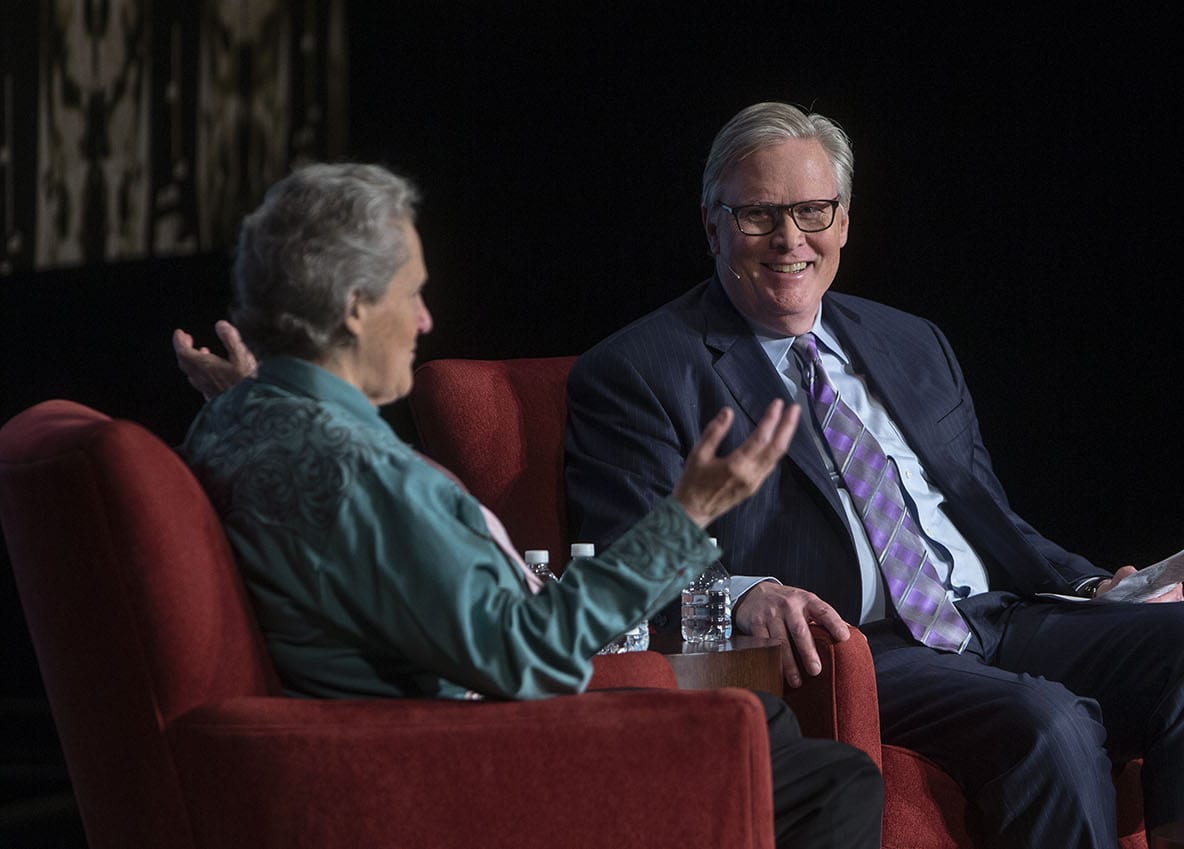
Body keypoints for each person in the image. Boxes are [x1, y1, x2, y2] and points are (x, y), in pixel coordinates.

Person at [562, 102, 1184, 848]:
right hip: (860, 648)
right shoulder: (639, 371)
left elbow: (986, 515)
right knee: (1051, 725)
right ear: (712, 226)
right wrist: (746, 595)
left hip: (992, 614)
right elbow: (622, 563)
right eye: (758, 215)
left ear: (843, 221)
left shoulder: (910, 340)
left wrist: (1096, 584)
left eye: (812, 211)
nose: (789, 238)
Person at [176, 162, 883, 849]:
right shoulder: (355, 474)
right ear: (356, 306)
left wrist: (260, 386)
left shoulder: (237, 418)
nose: (425, 320)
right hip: (468, 762)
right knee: (834, 781)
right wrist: (685, 515)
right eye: (412, 293)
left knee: (764, 724)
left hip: (429, 722)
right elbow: (527, 654)